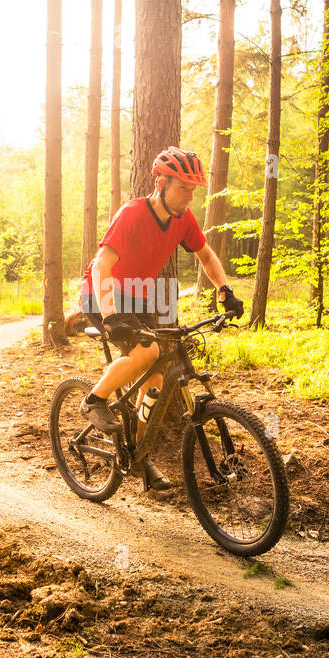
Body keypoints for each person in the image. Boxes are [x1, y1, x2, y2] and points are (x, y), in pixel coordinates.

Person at [77, 146, 244, 490]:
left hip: (137, 299)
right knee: (148, 352)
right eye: (183, 187)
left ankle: (138, 454)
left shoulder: (183, 220)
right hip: (101, 293)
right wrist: (110, 317)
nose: (190, 195)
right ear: (161, 183)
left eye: (193, 189)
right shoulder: (133, 214)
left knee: (156, 376)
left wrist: (225, 290)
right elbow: (101, 266)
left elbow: (207, 256)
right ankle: (94, 401)